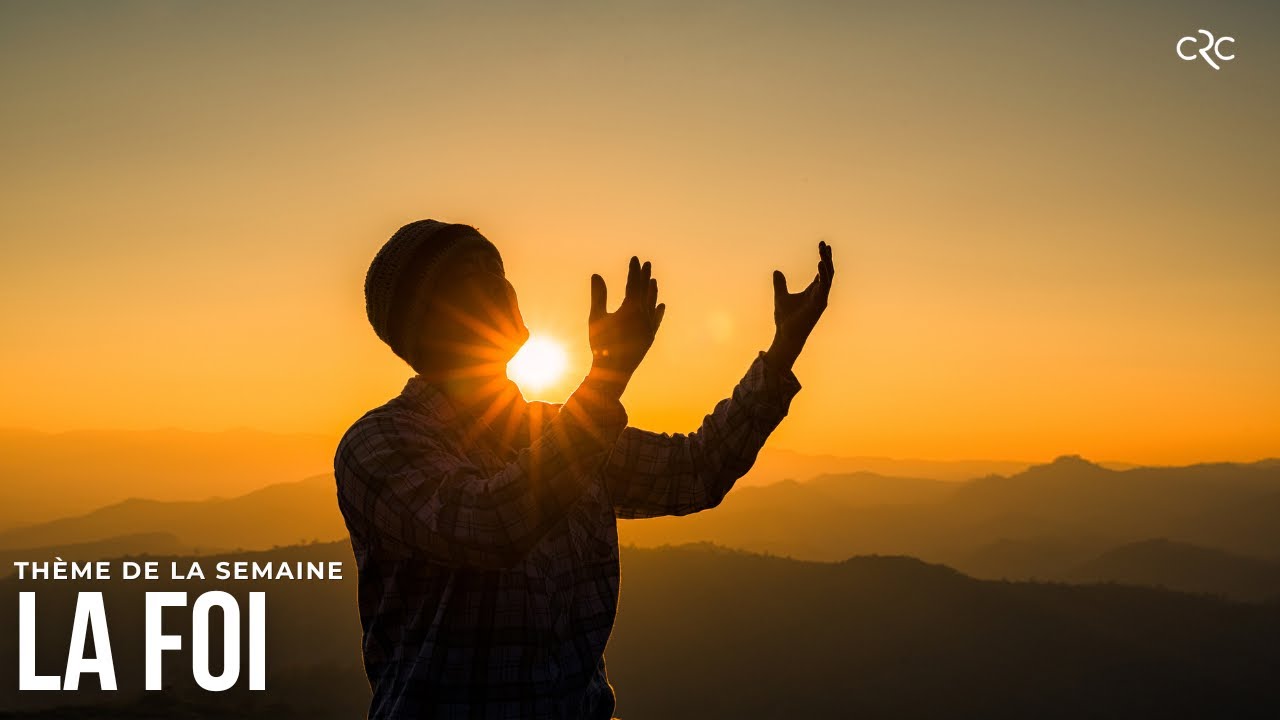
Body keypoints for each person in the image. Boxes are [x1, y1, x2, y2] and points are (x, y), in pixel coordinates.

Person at [334, 219, 834, 720]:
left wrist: (784, 348)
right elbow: (491, 524)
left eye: (499, 269)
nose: (501, 286)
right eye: (472, 274)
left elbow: (695, 471)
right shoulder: (377, 444)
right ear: (426, 318)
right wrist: (604, 382)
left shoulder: (559, 430)